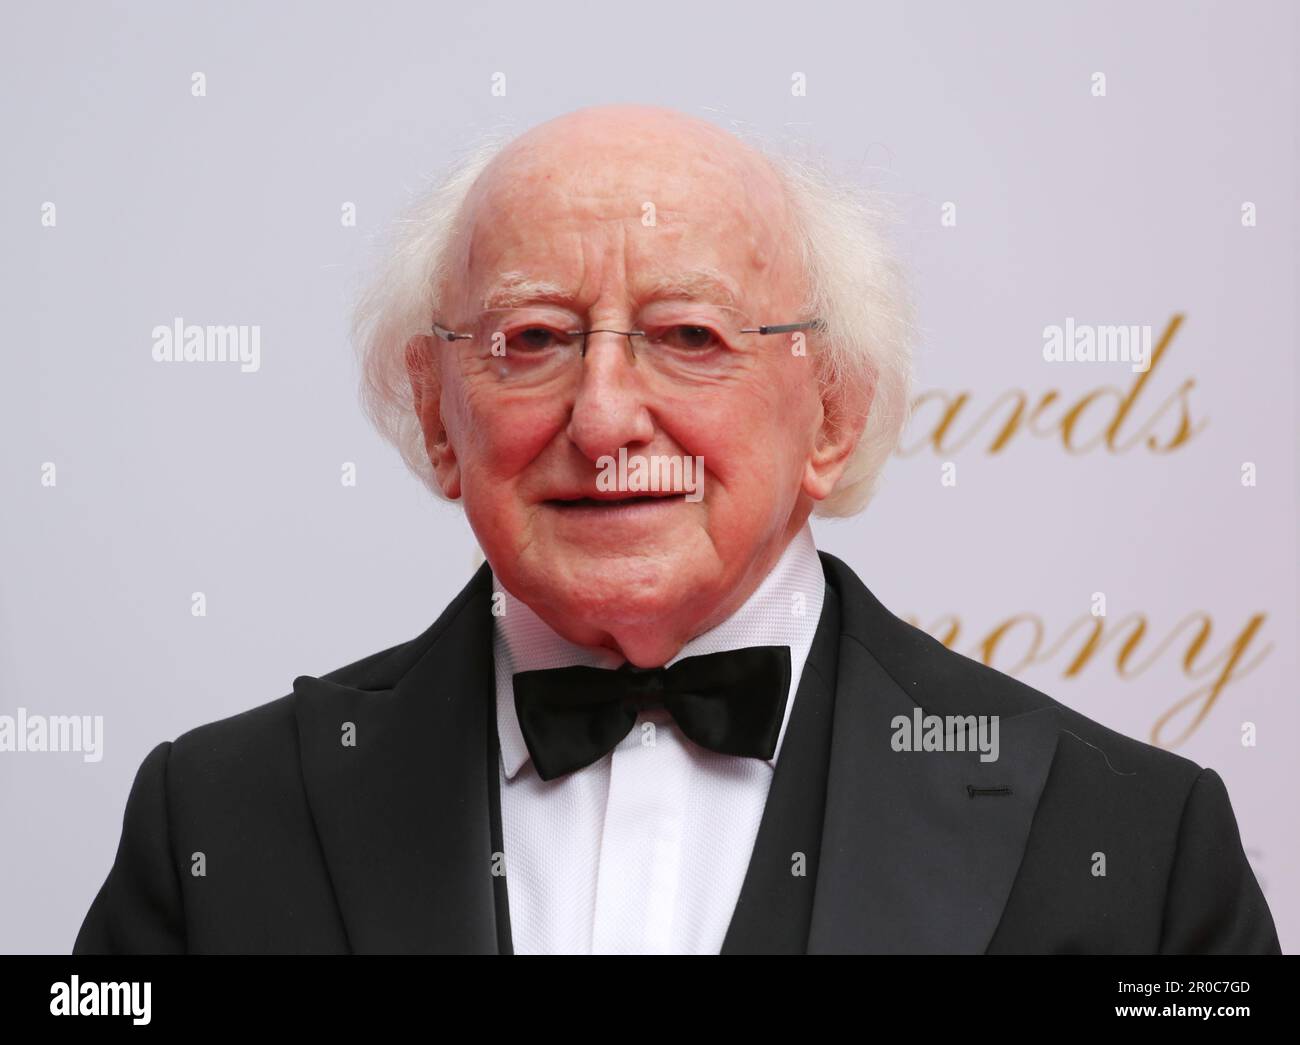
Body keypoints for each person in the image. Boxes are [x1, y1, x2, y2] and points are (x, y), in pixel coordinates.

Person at [74, 105, 1280, 954]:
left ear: (833, 414)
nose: (601, 417)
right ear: (439, 417)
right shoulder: (216, 820)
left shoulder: (1136, 843)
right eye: (532, 339)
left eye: (690, 337)